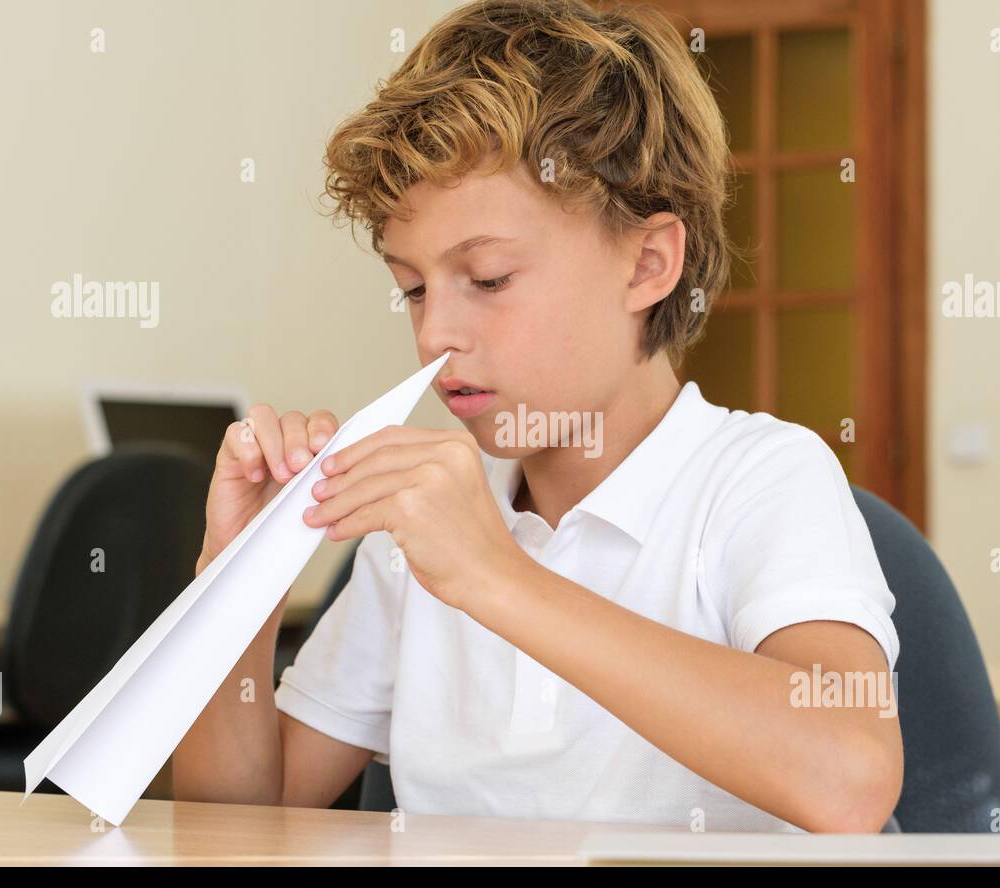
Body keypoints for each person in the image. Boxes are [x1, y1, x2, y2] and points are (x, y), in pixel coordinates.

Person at [173, 0, 902, 833]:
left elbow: (851, 774)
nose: (435, 334)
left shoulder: (761, 479)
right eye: (412, 289)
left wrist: (495, 575)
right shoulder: (421, 532)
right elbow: (230, 828)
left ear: (648, 263)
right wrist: (239, 583)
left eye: (486, 279)